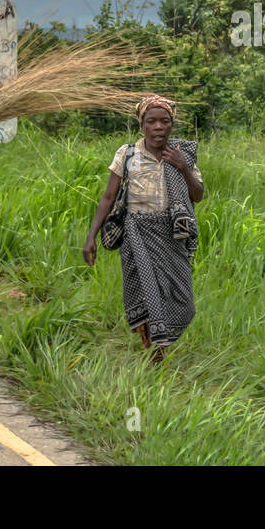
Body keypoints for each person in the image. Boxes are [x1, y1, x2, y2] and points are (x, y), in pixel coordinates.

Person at [83, 94, 204, 363]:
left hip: (172, 236)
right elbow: (108, 196)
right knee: (146, 296)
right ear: (142, 125)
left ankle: (160, 347)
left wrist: (183, 168)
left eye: (165, 121)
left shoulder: (182, 154)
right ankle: (154, 354)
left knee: (184, 303)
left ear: (172, 124)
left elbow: (198, 195)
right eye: (151, 121)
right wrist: (91, 236)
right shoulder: (128, 154)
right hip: (136, 233)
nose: (158, 127)